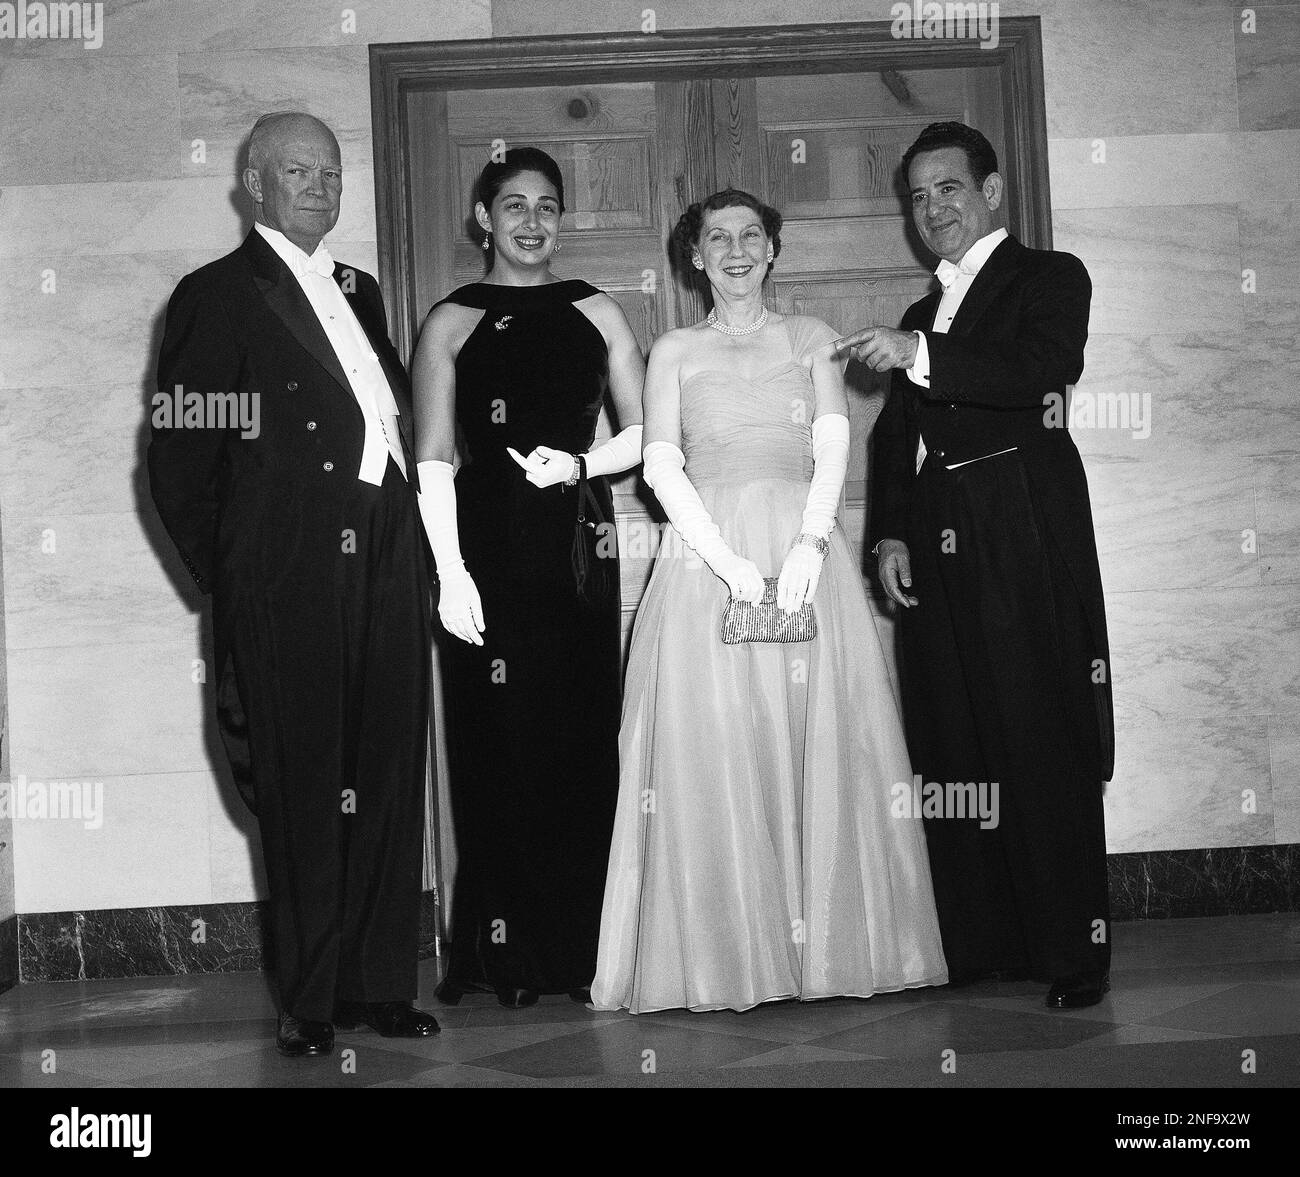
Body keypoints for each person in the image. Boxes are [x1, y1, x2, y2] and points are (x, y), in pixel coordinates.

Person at [591, 188, 948, 1014]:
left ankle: (828, 949)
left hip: (802, 544)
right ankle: (723, 957)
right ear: (694, 255)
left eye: (753, 234)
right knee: (713, 742)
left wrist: (812, 546)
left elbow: (833, 443)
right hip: (703, 554)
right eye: (719, 237)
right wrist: (726, 562)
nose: (738, 249)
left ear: (774, 250)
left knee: (821, 736)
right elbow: (659, 463)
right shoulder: (673, 348)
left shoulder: (812, 337)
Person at [148, 112, 439, 1057]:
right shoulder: (214, 294)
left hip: (388, 552)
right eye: (298, 169)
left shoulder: (360, 289)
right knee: (308, 781)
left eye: (331, 169)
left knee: (387, 769)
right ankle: (311, 999)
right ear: (254, 182)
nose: (320, 184)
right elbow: (179, 459)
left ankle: (379, 984)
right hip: (290, 570)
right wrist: (237, 577)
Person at [839, 121, 1114, 1009]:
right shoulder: (924, 312)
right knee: (953, 737)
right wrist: (886, 531)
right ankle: (985, 940)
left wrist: (918, 355)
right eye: (918, 196)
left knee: (1038, 731)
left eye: (948, 188)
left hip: (1020, 531)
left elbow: (1040, 366)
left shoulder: (1049, 277)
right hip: (937, 542)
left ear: (992, 192)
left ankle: (1073, 950)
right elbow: (896, 436)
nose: (933, 209)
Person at [412, 147, 646, 1008]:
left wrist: (578, 461)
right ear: (484, 218)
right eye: (514, 205)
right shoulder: (451, 318)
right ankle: (499, 952)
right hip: (485, 545)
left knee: (581, 737)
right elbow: (434, 454)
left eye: (548, 205)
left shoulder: (597, 311)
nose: (532, 221)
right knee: (495, 741)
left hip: (576, 538)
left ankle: (581, 951)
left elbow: (647, 435)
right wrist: (451, 572)